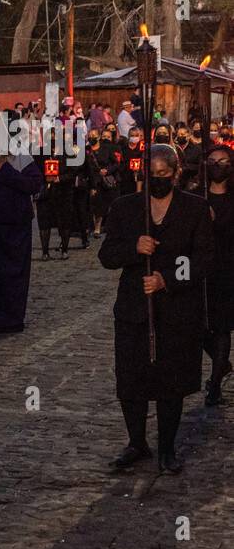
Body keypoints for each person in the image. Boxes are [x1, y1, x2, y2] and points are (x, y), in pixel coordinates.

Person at [99, 145, 213, 474]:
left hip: (177, 311)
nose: (158, 181)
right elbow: (107, 256)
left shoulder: (195, 208)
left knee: (170, 380)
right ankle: (137, 441)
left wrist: (168, 279)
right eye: (153, 176)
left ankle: (167, 448)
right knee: (131, 378)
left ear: (176, 174)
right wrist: (134, 248)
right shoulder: (125, 207)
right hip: (134, 309)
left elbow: (204, 258)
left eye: (165, 175)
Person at [0, 138, 44, 332]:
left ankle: (13, 319)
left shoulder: (22, 158)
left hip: (16, 230)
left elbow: (34, 185)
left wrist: (6, 171)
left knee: (15, 275)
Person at [203, 145, 234, 405]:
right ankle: (221, 362)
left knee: (222, 326)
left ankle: (214, 384)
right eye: (212, 161)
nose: (217, 165)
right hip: (200, 270)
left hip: (227, 269)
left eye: (222, 161)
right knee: (199, 326)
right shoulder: (195, 197)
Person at [87, 129, 117, 237]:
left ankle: (97, 227)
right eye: (89, 135)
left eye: (93, 135)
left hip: (102, 181)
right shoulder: (87, 150)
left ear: (98, 137)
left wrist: (107, 170)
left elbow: (115, 163)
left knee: (100, 205)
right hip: (90, 180)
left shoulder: (106, 149)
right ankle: (90, 226)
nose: (91, 137)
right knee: (91, 205)